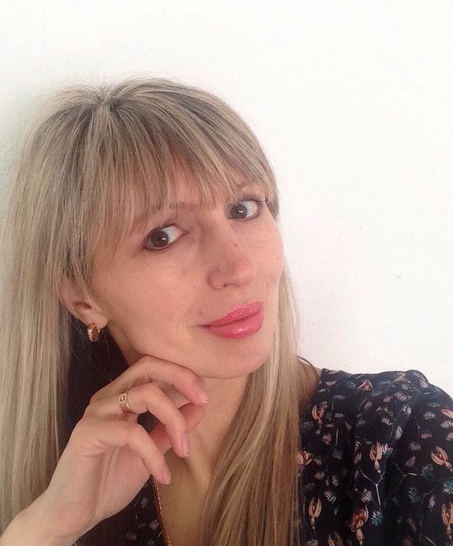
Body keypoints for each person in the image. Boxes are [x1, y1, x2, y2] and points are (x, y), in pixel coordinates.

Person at [0, 79, 451, 546]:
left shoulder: (403, 442)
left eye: (244, 208)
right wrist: (47, 527)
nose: (239, 267)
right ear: (83, 299)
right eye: (163, 236)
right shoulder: (78, 479)